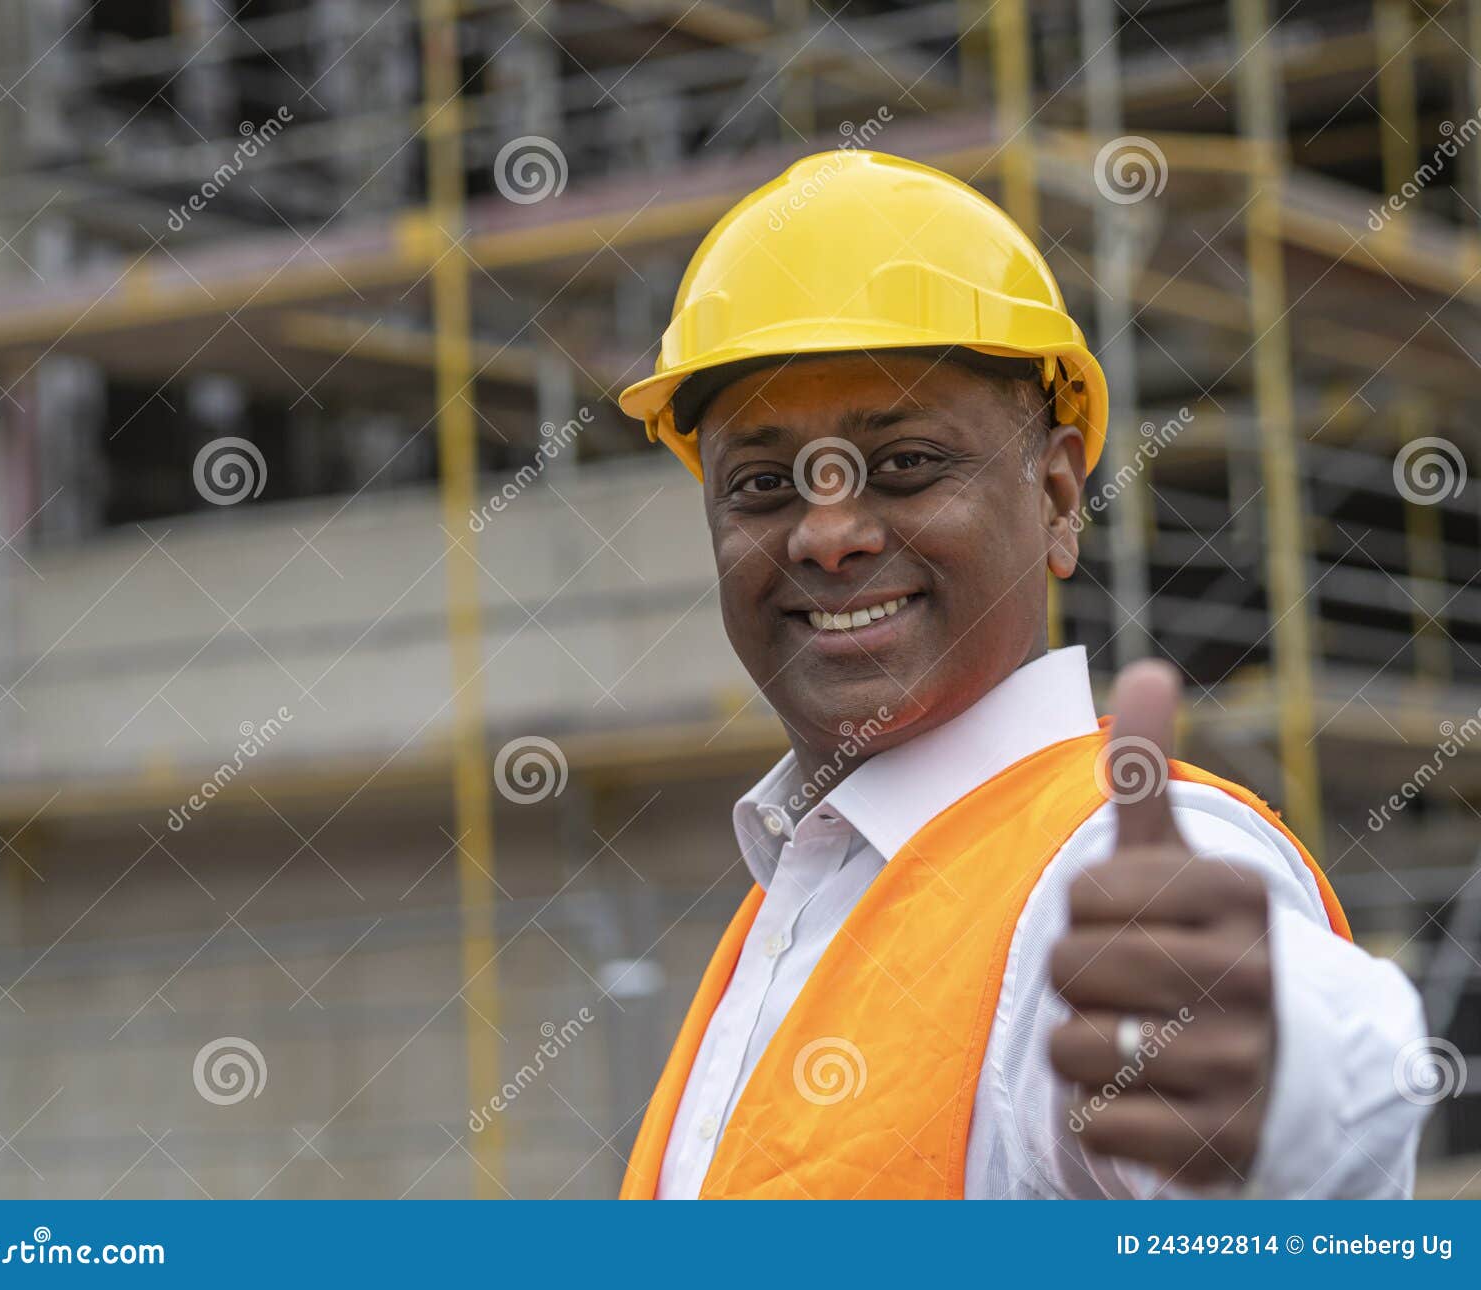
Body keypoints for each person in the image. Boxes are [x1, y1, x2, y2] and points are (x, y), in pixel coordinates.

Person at [613, 150, 1430, 1199]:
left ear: (1053, 498)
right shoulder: (801, 896)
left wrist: (1288, 1094)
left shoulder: (1094, 876)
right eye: (762, 485)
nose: (826, 535)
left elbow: (1292, 1121)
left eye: (905, 463)